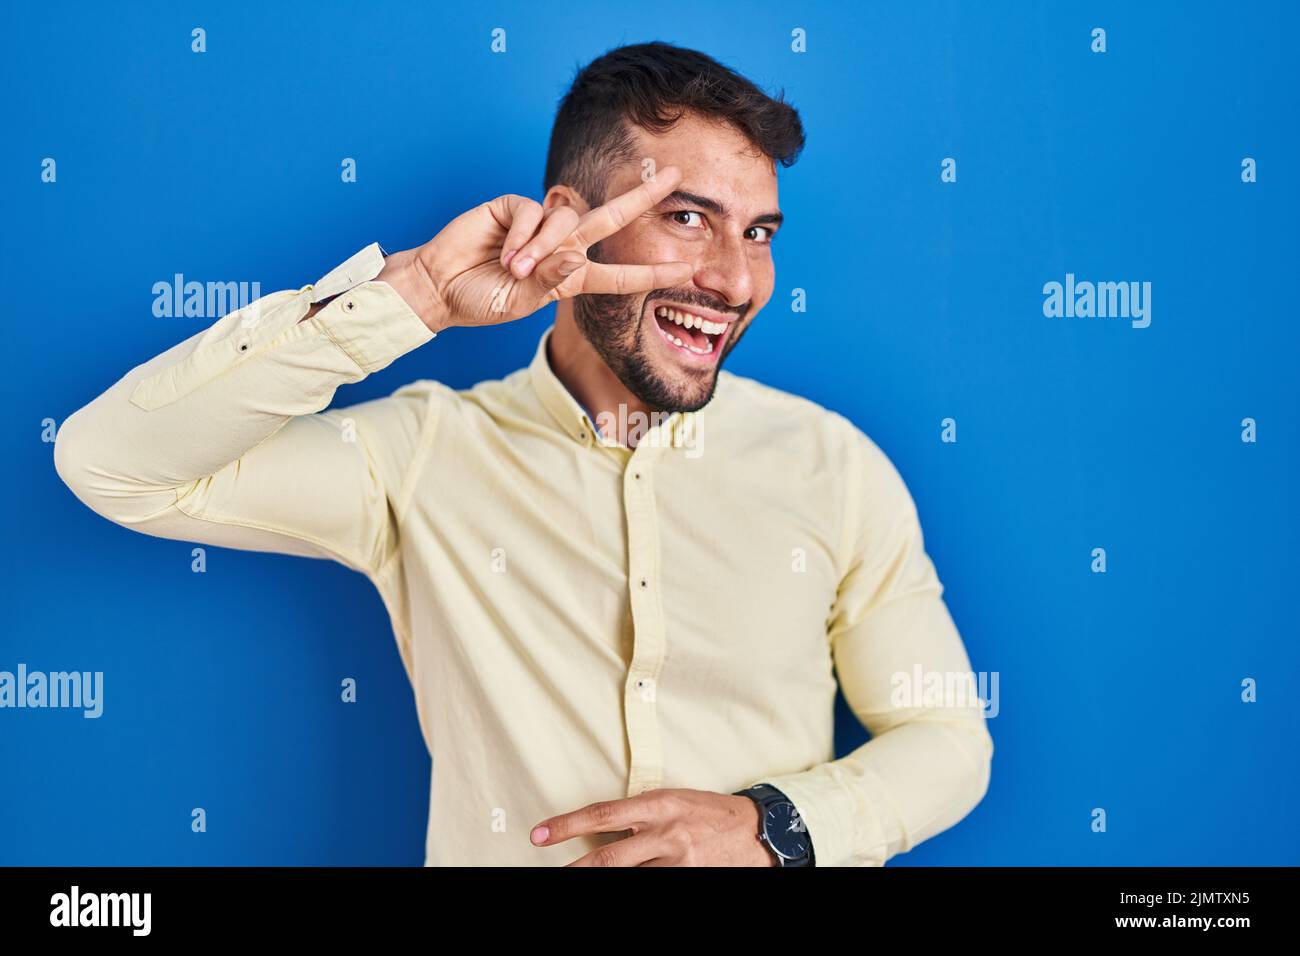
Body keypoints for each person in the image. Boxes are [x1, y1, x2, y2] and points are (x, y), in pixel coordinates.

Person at [54, 41, 993, 866]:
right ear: (567, 218)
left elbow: (947, 739)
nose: (736, 280)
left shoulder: (834, 465)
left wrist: (772, 827)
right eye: (687, 217)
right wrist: (413, 294)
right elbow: (111, 464)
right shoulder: (422, 453)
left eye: (758, 234)